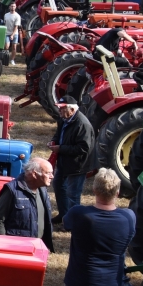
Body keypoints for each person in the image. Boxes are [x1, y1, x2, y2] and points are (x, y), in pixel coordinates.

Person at [0, 158, 55, 253]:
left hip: (37, 248)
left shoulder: (42, 189)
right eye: (48, 173)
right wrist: (5, 248)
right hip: (18, 250)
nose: (52, 176)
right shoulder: (12, 191)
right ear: (34, 174)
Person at [51, 96, 94, 224]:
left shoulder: (83, 124)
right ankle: (64, 215)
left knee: (73, 195)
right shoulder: (64, 119)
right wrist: (54, 141)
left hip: (78, 165)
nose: (59, 111)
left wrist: (61, 149)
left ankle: (73, 223)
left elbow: (83, 148)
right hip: (64, 161)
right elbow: (59, 134)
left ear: (71, 109)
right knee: (58, 185)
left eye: (62, 108)